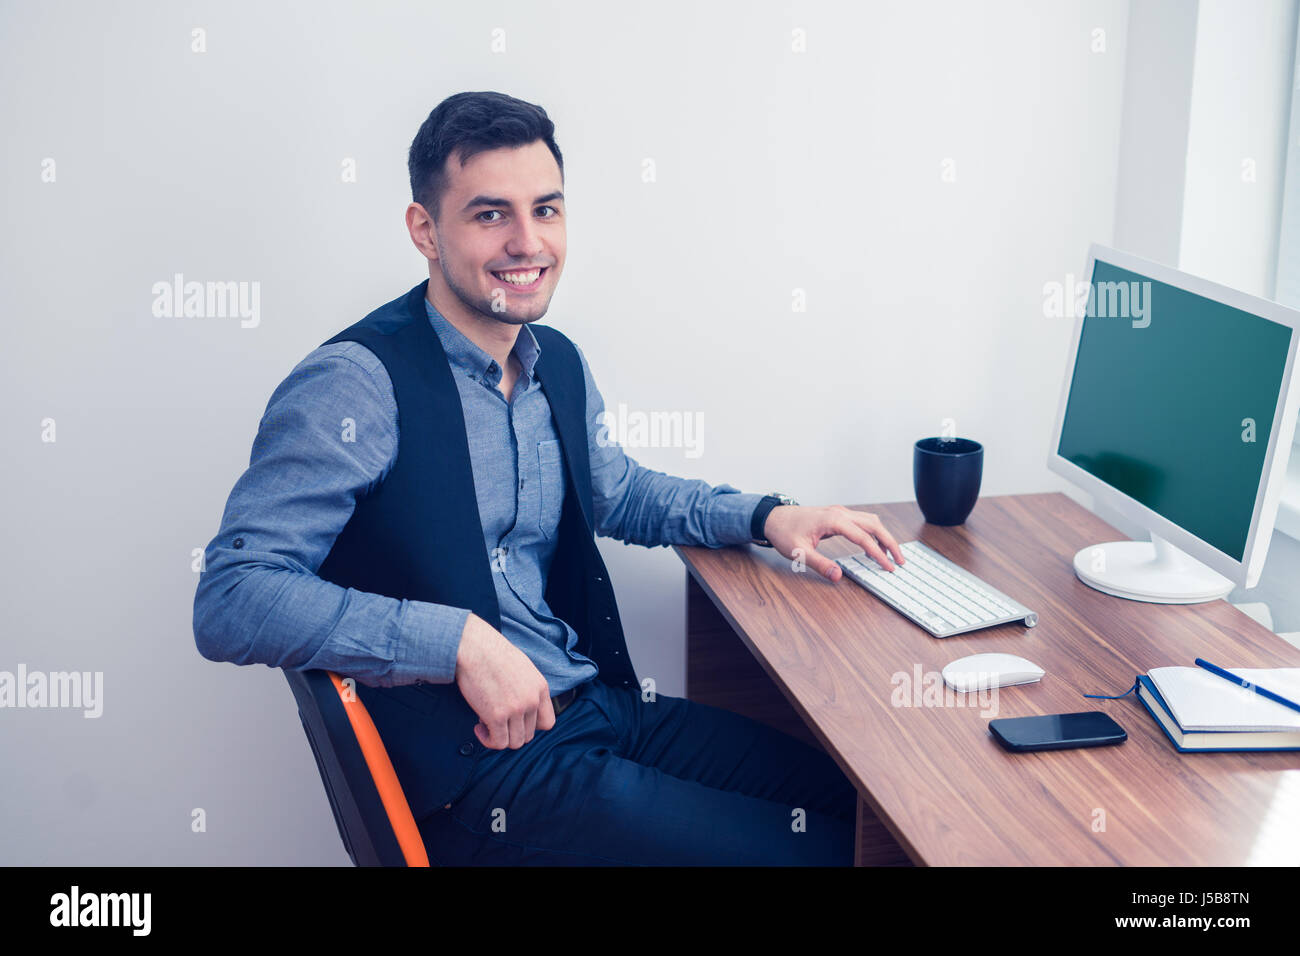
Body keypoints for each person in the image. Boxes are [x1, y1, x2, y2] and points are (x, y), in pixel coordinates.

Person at [193, 90, 906, 866]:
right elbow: (233, 594)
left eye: (548, 210)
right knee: (830, 857)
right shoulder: (356, 383)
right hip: (490, 777)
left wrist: (768, 516)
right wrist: (458, 641)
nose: (528, 242)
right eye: (491, 214)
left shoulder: (550, 359)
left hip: (596, 706)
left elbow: (618, 492)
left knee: (869, 809)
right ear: (424, 231)